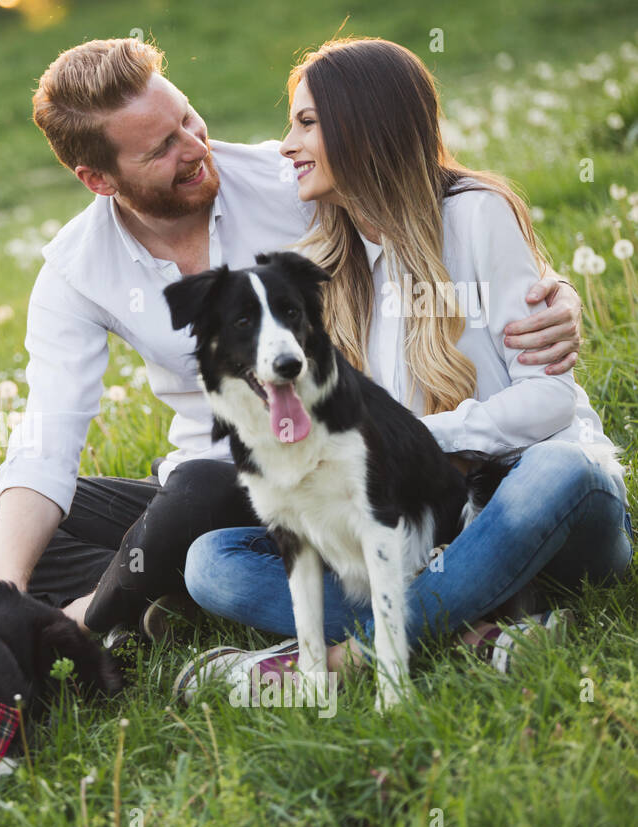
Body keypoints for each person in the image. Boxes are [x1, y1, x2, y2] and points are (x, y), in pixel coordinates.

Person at [0, 37, 586, 647]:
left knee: (199, 490)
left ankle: (91, 617)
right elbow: (46, 444)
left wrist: (553, 291)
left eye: (188, 119)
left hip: (322, 464)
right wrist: (2, 593)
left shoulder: (295, 182)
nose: (195, 148)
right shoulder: (77, 270)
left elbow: (416, 203)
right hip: (212, 489)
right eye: (162, 149)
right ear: (99, 180)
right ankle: (144, 589)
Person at [174, 37, 633, 699]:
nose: (286, 144)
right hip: (422, 535)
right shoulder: (319, 268)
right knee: (211, 563)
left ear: (365, 125)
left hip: (543, 512)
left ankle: (347, 660)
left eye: (306, 123)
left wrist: (419, 441)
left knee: (559, 469)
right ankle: (483, 631)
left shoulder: (477, 216)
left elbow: (549, 405)